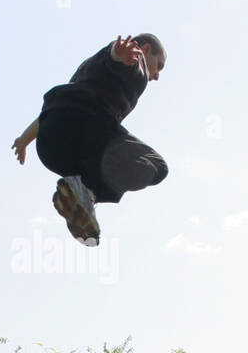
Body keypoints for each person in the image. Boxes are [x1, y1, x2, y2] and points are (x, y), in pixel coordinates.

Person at [11, 33, 168, 243]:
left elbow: (51, 112)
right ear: (146, 49)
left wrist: (24, 140)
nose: (156, 75)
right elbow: (117, 59)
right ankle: (87, 190)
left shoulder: (86, 71)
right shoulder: (134, 59)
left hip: (51, 146)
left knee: (102, 153)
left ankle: (82, 192)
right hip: (84, 129)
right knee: (157, 167)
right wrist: (118, 53)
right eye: (159, 65)